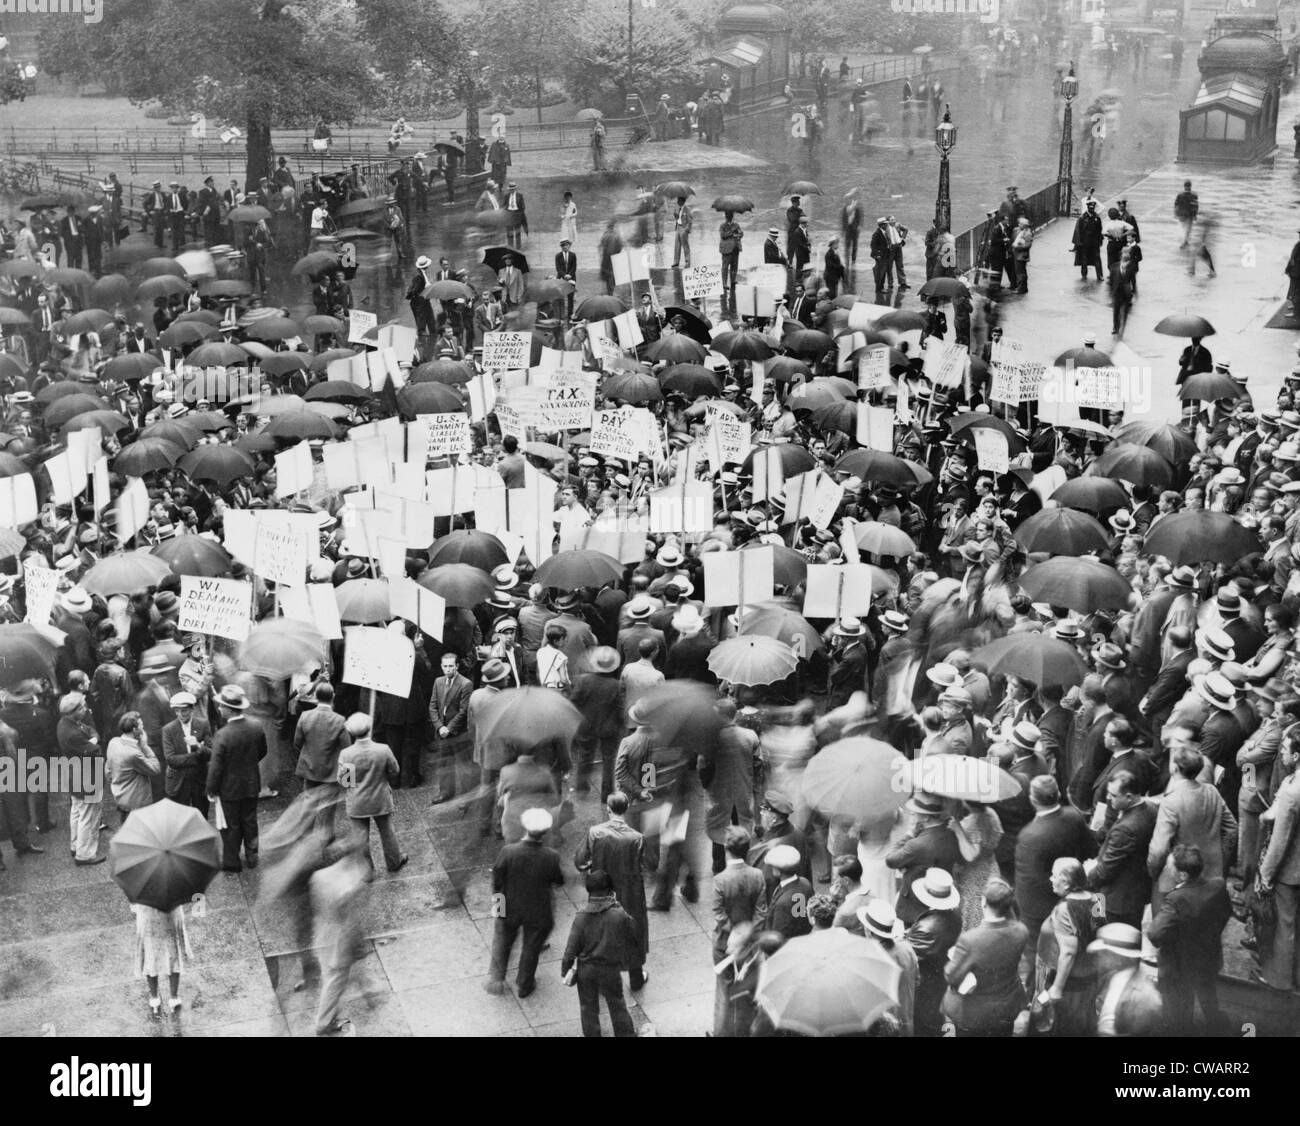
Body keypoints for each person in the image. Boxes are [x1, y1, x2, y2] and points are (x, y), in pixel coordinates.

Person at [1147, 844, 1232, 1034]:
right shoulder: (1217, 886)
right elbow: (1226, 913)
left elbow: (1154, 934)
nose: (1168, 870)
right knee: (1209, 998)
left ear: (1183, 875)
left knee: (1179, 1012)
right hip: (1207, 956)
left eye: (1171, 867)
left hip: (1179, 965)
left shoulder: (1176, 899)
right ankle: (1217, 1028)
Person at [575, 791, 649, 991]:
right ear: (626, 809)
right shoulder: (637, 838)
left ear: (608, 810)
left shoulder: (595, 833)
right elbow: (650, 863)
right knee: (633, 933)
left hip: (602, 893)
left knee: (601, 935)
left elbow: (580, 861)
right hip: (630, 892)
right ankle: (636, 978)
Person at [488, 806, 564, 998]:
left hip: (510, 907)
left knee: (503, 941)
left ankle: (496, 979)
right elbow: (558, 880)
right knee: (531, 947)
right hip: (538, 910)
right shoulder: (551, 856)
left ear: (525, 827)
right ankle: (524, 983)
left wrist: (499, 909)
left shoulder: (508, 852)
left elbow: (497, 881)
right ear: (545, 832)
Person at [940, 878, 1028, 1037]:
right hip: (1006, 1009)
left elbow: (951, 977)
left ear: (984, 903)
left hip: (973, 1015)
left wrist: (955, 957)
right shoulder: (1021, 931)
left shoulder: (970, 940)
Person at [1031, 857, 1103, 1036]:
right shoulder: (1097, 899)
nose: (1051, 879)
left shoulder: (1064, 909)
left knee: (1058, 1025)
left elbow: (1069, 952)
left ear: (1065, 882)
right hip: (1087, 974)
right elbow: (1097, 931)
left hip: (1066, 979)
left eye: (1054, 876)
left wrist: (1057, 987)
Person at [561, 869, 638, 1037]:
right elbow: (633, 933)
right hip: (610, 969)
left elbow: (570, 950)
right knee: (617, 1004)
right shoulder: (618, 914)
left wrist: (565, 969)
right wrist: (619, 907)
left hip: (586, 970)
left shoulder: (581, 917)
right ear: (609, 889)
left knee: (588, 1009)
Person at [337, 712, 407, 877]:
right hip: (380, 798)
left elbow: (346, 782)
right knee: (387, 831)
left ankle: (366, 872)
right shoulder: (383, 749)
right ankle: (394, 862)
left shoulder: (346, 754)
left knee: (360, 837)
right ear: (369, 728)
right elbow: (395, 770)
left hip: (357, 801)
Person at [206, 684, 267, 873]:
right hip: (251, 783)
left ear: (228, 709)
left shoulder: (222, 735)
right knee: (249, 820)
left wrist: (211, 789)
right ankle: (252, 854)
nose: (219, 709)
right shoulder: (256, 726)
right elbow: (263, 751)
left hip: (229, 789)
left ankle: (232, 862)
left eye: (222, 707)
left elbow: (216, 768)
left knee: (231, 825)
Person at [1257, 733, 1300, 991]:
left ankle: (1279, 979)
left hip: (1290, 871)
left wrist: (1266, 874)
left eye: (1284, 749)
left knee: (1284, 925)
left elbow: (1280, 843)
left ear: (1296, 756)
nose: (1281, 753)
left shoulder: (1293, 791)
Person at [132, 902, 191, 1016]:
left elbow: (134, 904)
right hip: (171, 915)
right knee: (172, 953)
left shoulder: (139, 885)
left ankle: (154, 998)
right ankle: (173, 997)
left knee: (150, 954)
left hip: (147, 917)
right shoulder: (174, 883)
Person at [429, 651, 472, 805]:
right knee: (444, 763)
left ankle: (467, 797)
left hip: (458, 731)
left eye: (451, 666)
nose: (448, 669)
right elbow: (433, 706)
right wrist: (440, 726)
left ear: (457, 666)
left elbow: (463, 711)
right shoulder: (438, 682)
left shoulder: (465, 684)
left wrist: (449, 727)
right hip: (442, 732)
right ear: (441, 667)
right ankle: (445, 792)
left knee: (463, 765)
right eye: (445, 666)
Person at [161, 690, 211, 815]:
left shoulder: (203, 724)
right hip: (178, 782)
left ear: (192, 709)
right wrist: (198, 754)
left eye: (184, 711)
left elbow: (211, 752)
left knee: (201, 816)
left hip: (199, 780)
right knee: (180, 818)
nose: (180, 714)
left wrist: (197, 745)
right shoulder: (168, 730)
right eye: (177, 711)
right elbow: (171, 760)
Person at [106, 711, 160, 825]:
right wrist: (145, 746)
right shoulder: (133, 754)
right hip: (137, 804)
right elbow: (155, 769)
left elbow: (108, 770)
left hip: (121, 798)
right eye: (141, 725)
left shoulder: (113, 742)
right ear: (135, 730)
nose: (143, 727)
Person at [1071, 198, 1104, 281]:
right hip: (1085, 242)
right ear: (1087, 208)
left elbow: (1100, 230)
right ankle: (1084, 274)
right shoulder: (1082, 218)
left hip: (1094, 242)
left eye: (1093, 208)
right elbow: (1078, 230)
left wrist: (1100, 240)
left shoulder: (1097, 217)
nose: (1092, 209)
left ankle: (1099, 275)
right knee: (1084, 259)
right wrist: (1079, 242)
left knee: (1097, 258)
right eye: (1090, 208)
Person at [718, 211, 742, 305]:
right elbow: (723, 236)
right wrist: (732, 232)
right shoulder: (722, 226)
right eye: (728, 216)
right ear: (725, 217)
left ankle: (733, 281)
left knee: (734, 267)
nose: (729, 217)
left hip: (735, 248)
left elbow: (741, 234)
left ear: (732, 217)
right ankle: (724, 283)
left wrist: (738, 234)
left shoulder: (736, 224)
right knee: (725, 267)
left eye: (730, 216)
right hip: (726, 249)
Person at [1174, 179, 1198, 248]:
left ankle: (1185, 241)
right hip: (1188, 215)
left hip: (1183, 215)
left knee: (1185, 228)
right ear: (1190, 186)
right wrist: (1195, 215)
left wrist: (1176, 214)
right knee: (1187, 229)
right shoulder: (1193, 195)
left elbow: (1176, 205)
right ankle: (1185, 241)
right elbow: (1195, 206)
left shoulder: (1180, 195)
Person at [671, 195, 693, 268]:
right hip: (678, 227)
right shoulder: (677, 208)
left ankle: (687, 261)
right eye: (677, 201)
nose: (677, 202)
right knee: (677, 246)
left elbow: (690, 222)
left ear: (682, 201)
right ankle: (676, 261)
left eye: (679, 201)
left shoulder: (687, 209)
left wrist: (686, 230)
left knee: (685, 246)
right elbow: (676, 218)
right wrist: (675, 214)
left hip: (684, 229)